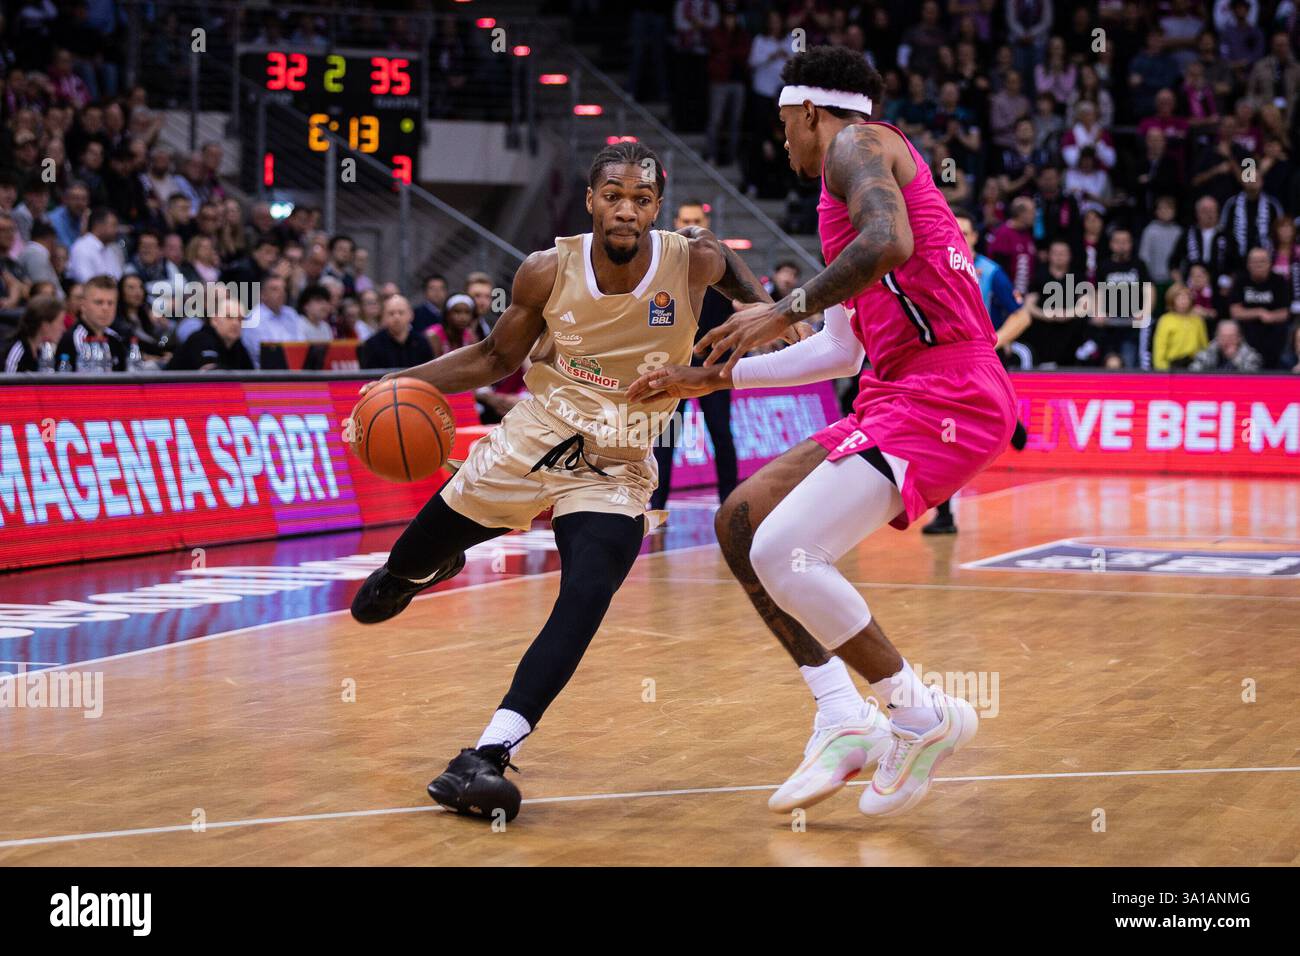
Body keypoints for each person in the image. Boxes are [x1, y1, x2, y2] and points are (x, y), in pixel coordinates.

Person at [628, 48, 1016, 817]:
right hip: (894, 389)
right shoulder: (839, 200)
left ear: (811, 112)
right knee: (744, 521)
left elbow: (892, 244)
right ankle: (843, 717)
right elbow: (843, 348)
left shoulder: (859, 145)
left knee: (785, 550)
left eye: (782, 124)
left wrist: (784, 305)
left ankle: (918, 716)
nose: (781, 141)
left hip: (948, 391)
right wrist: (710, 377)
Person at [348, 141, 777, 823]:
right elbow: (495, 357)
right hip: (536, 434)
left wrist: (774, 317)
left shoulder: (693, 258)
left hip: (622, 458)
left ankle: (486, 755)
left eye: (641, 198)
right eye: (613, 195)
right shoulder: (546, 270)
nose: (627, 209)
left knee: (586, 594)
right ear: (590, 200)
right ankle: (418, 570)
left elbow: (756, 300)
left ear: (657, 207)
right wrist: (404, 382)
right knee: (381, 592)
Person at [651, 199, 740, 511]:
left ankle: (729, 500)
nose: (690, 225)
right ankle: (656, 504)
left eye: (696, 220)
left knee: (720, 432)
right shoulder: (660, 264)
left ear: (706, 223)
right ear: (676, 222)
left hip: (713, 363)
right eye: (685, 219)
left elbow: (741, 306)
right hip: (673, 362)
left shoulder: (722, 263)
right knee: (665, 438)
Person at [56, 273, 125, 371]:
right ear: (83, 305)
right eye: (99, 302)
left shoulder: (116, 339)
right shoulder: (73, 339)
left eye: (110, 303)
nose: (105, 308)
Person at [167, 298, 256, 371]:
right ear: (214, 320)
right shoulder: (200, 339)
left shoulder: (237, 344)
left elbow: (251, 374)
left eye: (240, 319)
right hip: (170, 391)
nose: (236, 323)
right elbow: (211, 373)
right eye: (229, 317)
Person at [357, 294, 435, 369]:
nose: (396, 317)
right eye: (391, 313)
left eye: (401, 312)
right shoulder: (371, 345)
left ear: (411, 315)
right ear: (384, 317)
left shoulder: (422, 342)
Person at [1152, 283, 1209, 370]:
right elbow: (1159, 348)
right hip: (1172, 367)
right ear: (1172, 300)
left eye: (1186, 297)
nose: (1184, 301)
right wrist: (1162, 369)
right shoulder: (1165, 320)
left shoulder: (1197, 320)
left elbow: (1204, 346)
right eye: (1179, 298)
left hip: (1195, 366)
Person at [2, 295, 65, 372]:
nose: (63, 328)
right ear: (45, 326)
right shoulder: (17, 351)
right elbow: (8, 382)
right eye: (60, 323)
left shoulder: (45, 350)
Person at [1189, 318, 1263, 371]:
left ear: (1239, 337)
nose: (1227, 340)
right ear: (1217, 337)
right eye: (1223, 336)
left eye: (1231, 336)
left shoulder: (1252, 356)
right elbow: (1193, 372)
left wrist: (1234, 358)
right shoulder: (1208, 352)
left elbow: (1252, 377)